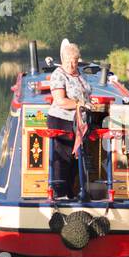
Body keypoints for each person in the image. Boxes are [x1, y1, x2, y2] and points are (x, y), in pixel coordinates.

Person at [47, 39, 91, 200]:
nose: (72, 65)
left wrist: (88, 104)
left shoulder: (80, 73)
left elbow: (85, 93)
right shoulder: (58, 75)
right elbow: (60, 101)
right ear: (63, 60)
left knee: (76, 157)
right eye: (69, 61)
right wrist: (80, 103)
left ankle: (72, 191)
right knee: (62, 157)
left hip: (79, 121)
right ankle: (59, 193)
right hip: (61, 121)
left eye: (75, 61)